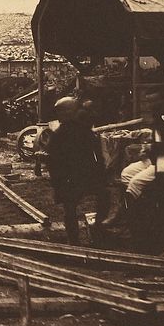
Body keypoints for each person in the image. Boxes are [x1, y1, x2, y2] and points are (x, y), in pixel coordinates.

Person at [45, 97, 110, 245]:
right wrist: (58, 181)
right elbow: (53, 161)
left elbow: (96, 154)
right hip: (71, 178)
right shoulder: (62, 134)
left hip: (81, 176)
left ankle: (93, 229)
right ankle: (76, 238)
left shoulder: (77, 131)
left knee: (98, 197)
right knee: (71, 207)